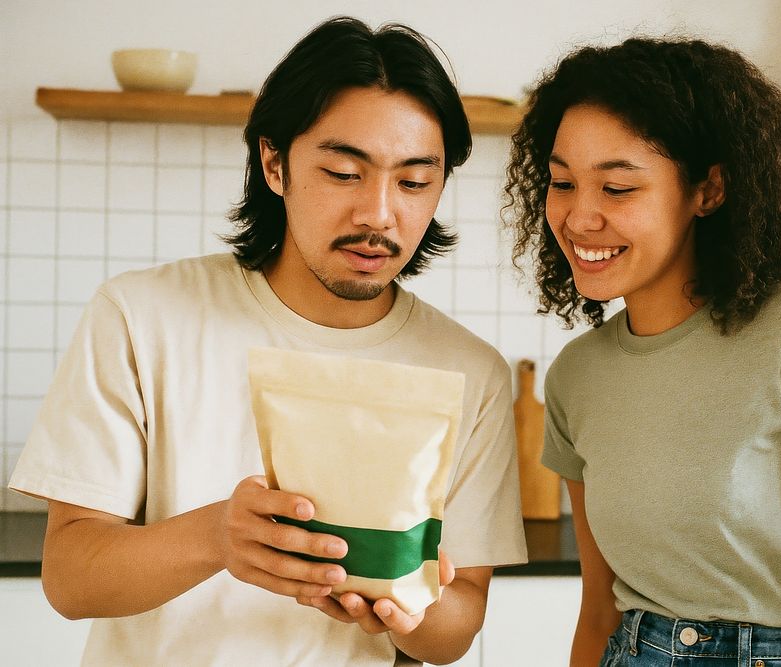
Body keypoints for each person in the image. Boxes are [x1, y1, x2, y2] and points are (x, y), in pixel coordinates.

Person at [10, 16, 526, 666]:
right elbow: (69, 575)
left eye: (414, 182)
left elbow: (457, 624)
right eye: (344, 172)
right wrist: (216, 537)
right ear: (275, 163)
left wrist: (409, 613)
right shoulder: (141, 316)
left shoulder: (469, 370)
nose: (379, 213)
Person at [504, 37, 781, 666]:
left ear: (707, 190)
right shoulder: (577, 377)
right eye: (562, 183)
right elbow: (600, 611)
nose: (579, 218)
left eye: (617, 188)